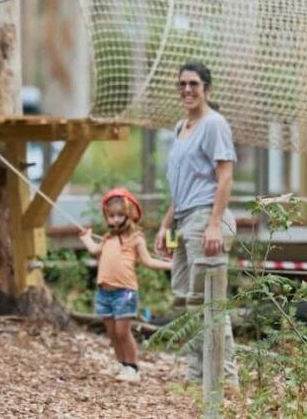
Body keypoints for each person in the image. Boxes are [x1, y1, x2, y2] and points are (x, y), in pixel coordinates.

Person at [153, 61, 239, 388]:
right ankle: (196, 374)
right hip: (185, 219)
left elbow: (225, 177)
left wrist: (214, 225)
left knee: (210, 302)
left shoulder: (214, 124)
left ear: (206, 88)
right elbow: (181, 186)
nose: (187, 90)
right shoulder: (180, 127)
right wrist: (164, 226)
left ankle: (225, 382)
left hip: (206, 218)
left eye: (194, 84)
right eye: (182, 84)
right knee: (184, 301)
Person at [79, 188, 172, 383]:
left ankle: (132, 367)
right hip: (105, 292)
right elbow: (95, 250)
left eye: (120, 215)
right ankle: (121, 363)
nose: (114, 219)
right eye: (111, 215)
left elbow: (147, 261)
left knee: (123, 331)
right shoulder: (107, 238)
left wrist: (170, 265)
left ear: (129, 215)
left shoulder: (136, 238)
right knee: (112, 333)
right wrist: (86, 238)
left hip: (125, 293)